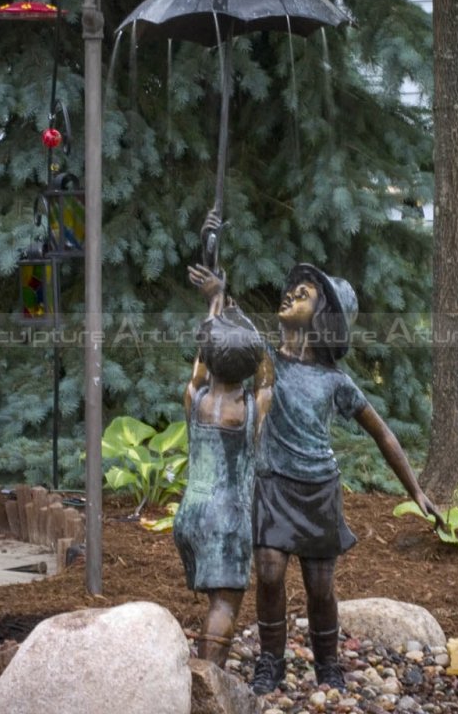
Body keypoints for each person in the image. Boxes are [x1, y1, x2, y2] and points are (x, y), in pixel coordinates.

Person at [248, 262, 444, 694]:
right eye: (292, 290)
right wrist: (212, 262)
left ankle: (328, 664)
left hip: (319, 490)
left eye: (303, 295)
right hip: (273, 483)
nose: (290, 295)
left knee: (320, 587)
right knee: (268, 571)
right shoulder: (264, 359)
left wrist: (416, 490)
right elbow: (224, 327)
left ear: (323, 318)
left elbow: (383, 434)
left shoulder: (335, 380)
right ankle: (269, 662)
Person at [173, 261, 271, 668]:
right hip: (225, 521)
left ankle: (202, 666)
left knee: (215, 600)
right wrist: (250, 335)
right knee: (226, 605)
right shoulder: (249, 410)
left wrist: (215, 301)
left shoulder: (195, 398)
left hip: (190, 516)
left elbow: (202, 358)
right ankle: (207, 682)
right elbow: (267, 378)